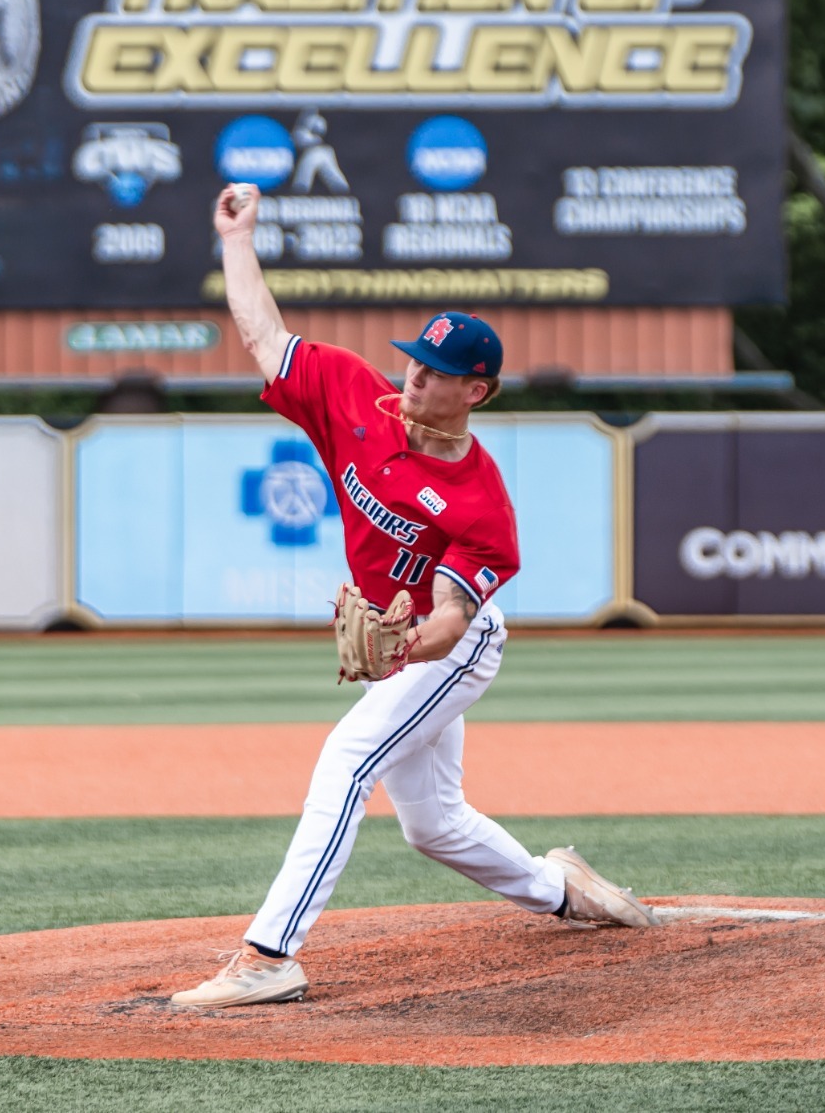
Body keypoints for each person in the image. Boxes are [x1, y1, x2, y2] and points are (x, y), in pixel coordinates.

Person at [170, 183, 659, 1010]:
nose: (415, 376)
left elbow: (450, 619)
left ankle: (269, 955)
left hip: (455, 648)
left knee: (347, 760)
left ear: (479, 391)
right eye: (414, 359)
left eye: (437, 373)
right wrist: (237, 240)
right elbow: (264, 335)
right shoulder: (355, 399)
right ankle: (559, 888)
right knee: (432, 824)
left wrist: (405, 643)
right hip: (411, 644)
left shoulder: (480, 501)